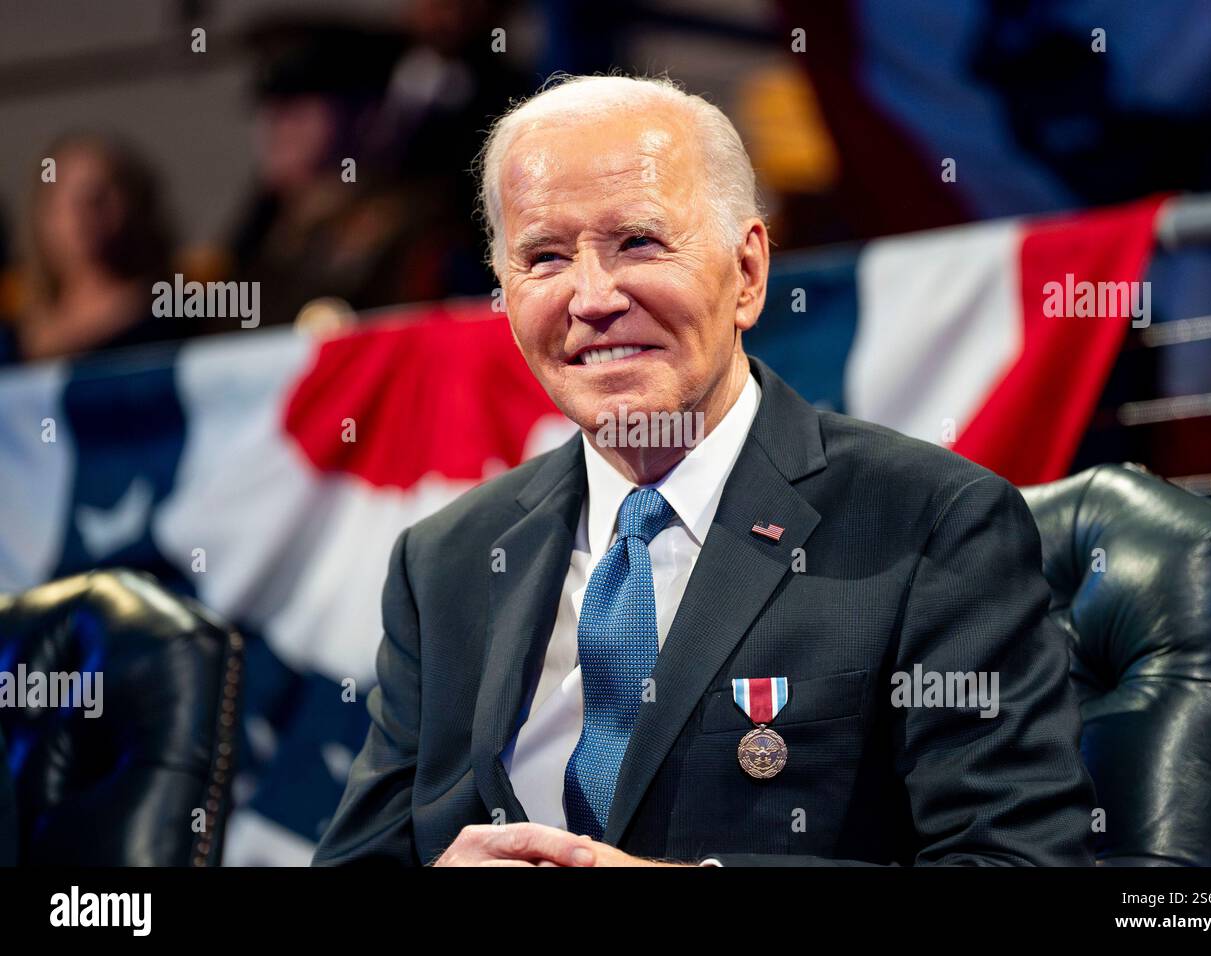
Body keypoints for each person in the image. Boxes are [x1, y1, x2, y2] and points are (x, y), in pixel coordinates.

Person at [313, 74, 1096, 867]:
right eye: (544, 257)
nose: (591, 298)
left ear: (748, 274)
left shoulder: (931, 523)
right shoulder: (445, 560)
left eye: (638, 243)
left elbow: (1019, 859)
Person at [3, 133, 176, 364]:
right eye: (66, 195)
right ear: (41, 215)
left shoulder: (170, 321)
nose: (83, 213)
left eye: (100, 195)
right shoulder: (13, 340)